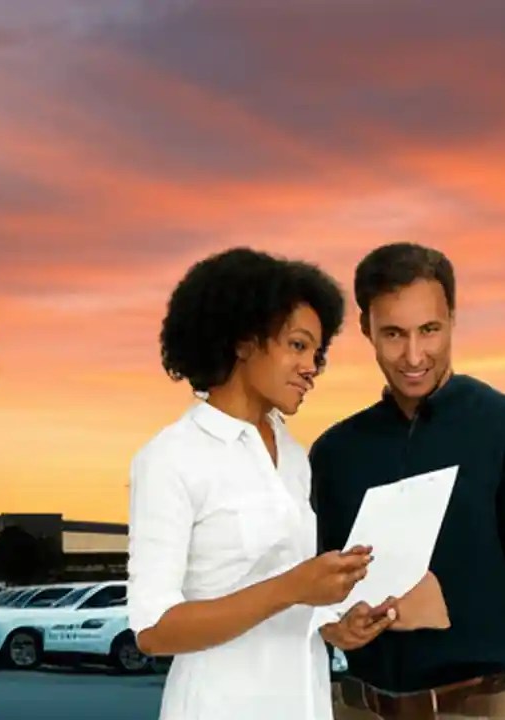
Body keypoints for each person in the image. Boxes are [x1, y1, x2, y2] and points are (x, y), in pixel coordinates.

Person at [309, 242, 505, 719]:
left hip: (474, 707)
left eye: (429, 330)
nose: (413, 355)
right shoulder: (335, 452)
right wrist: (330, 625)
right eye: (393, 333)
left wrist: (456, 617)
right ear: (366, 329)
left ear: (452, 317)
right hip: (354, 707)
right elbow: (315, 576)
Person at [127, 247, 400, 720]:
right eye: (297, 345)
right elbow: (154, 629)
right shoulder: (171, 458)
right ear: (243, 340)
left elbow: (292, 592)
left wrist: (334, 623)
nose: (311, 366)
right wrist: (292, 587)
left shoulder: (294, 455)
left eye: (317, 352)